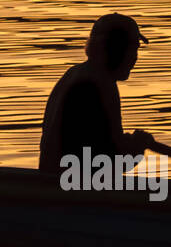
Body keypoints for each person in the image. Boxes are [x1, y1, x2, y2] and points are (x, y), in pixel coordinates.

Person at [39, 13, 154, 173]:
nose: (135, 58)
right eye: (131, 50)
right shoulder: (100, 85)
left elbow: (98, 143)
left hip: (54, 181)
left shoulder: (74, 73)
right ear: (114, 48)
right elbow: (110, 163)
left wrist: (129, 142)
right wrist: (136, 150)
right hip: (73, 188)